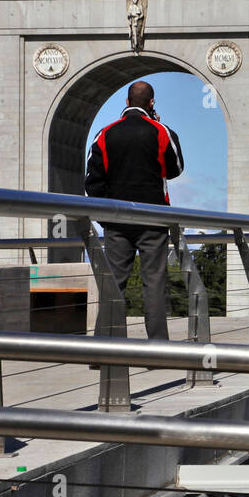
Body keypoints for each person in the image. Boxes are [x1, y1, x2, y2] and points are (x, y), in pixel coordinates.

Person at [84, 80, 184, 340]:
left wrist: (106, 216)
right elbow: (176, 169)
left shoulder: (104, 134)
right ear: (151, 104)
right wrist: (162, 125)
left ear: (126, 103)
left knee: (114, 283)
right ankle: (158, 349)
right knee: (154, 284)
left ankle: (103, 348)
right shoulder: (160, 132)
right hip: (153, 218)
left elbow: (92, 181)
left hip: (117, 219)